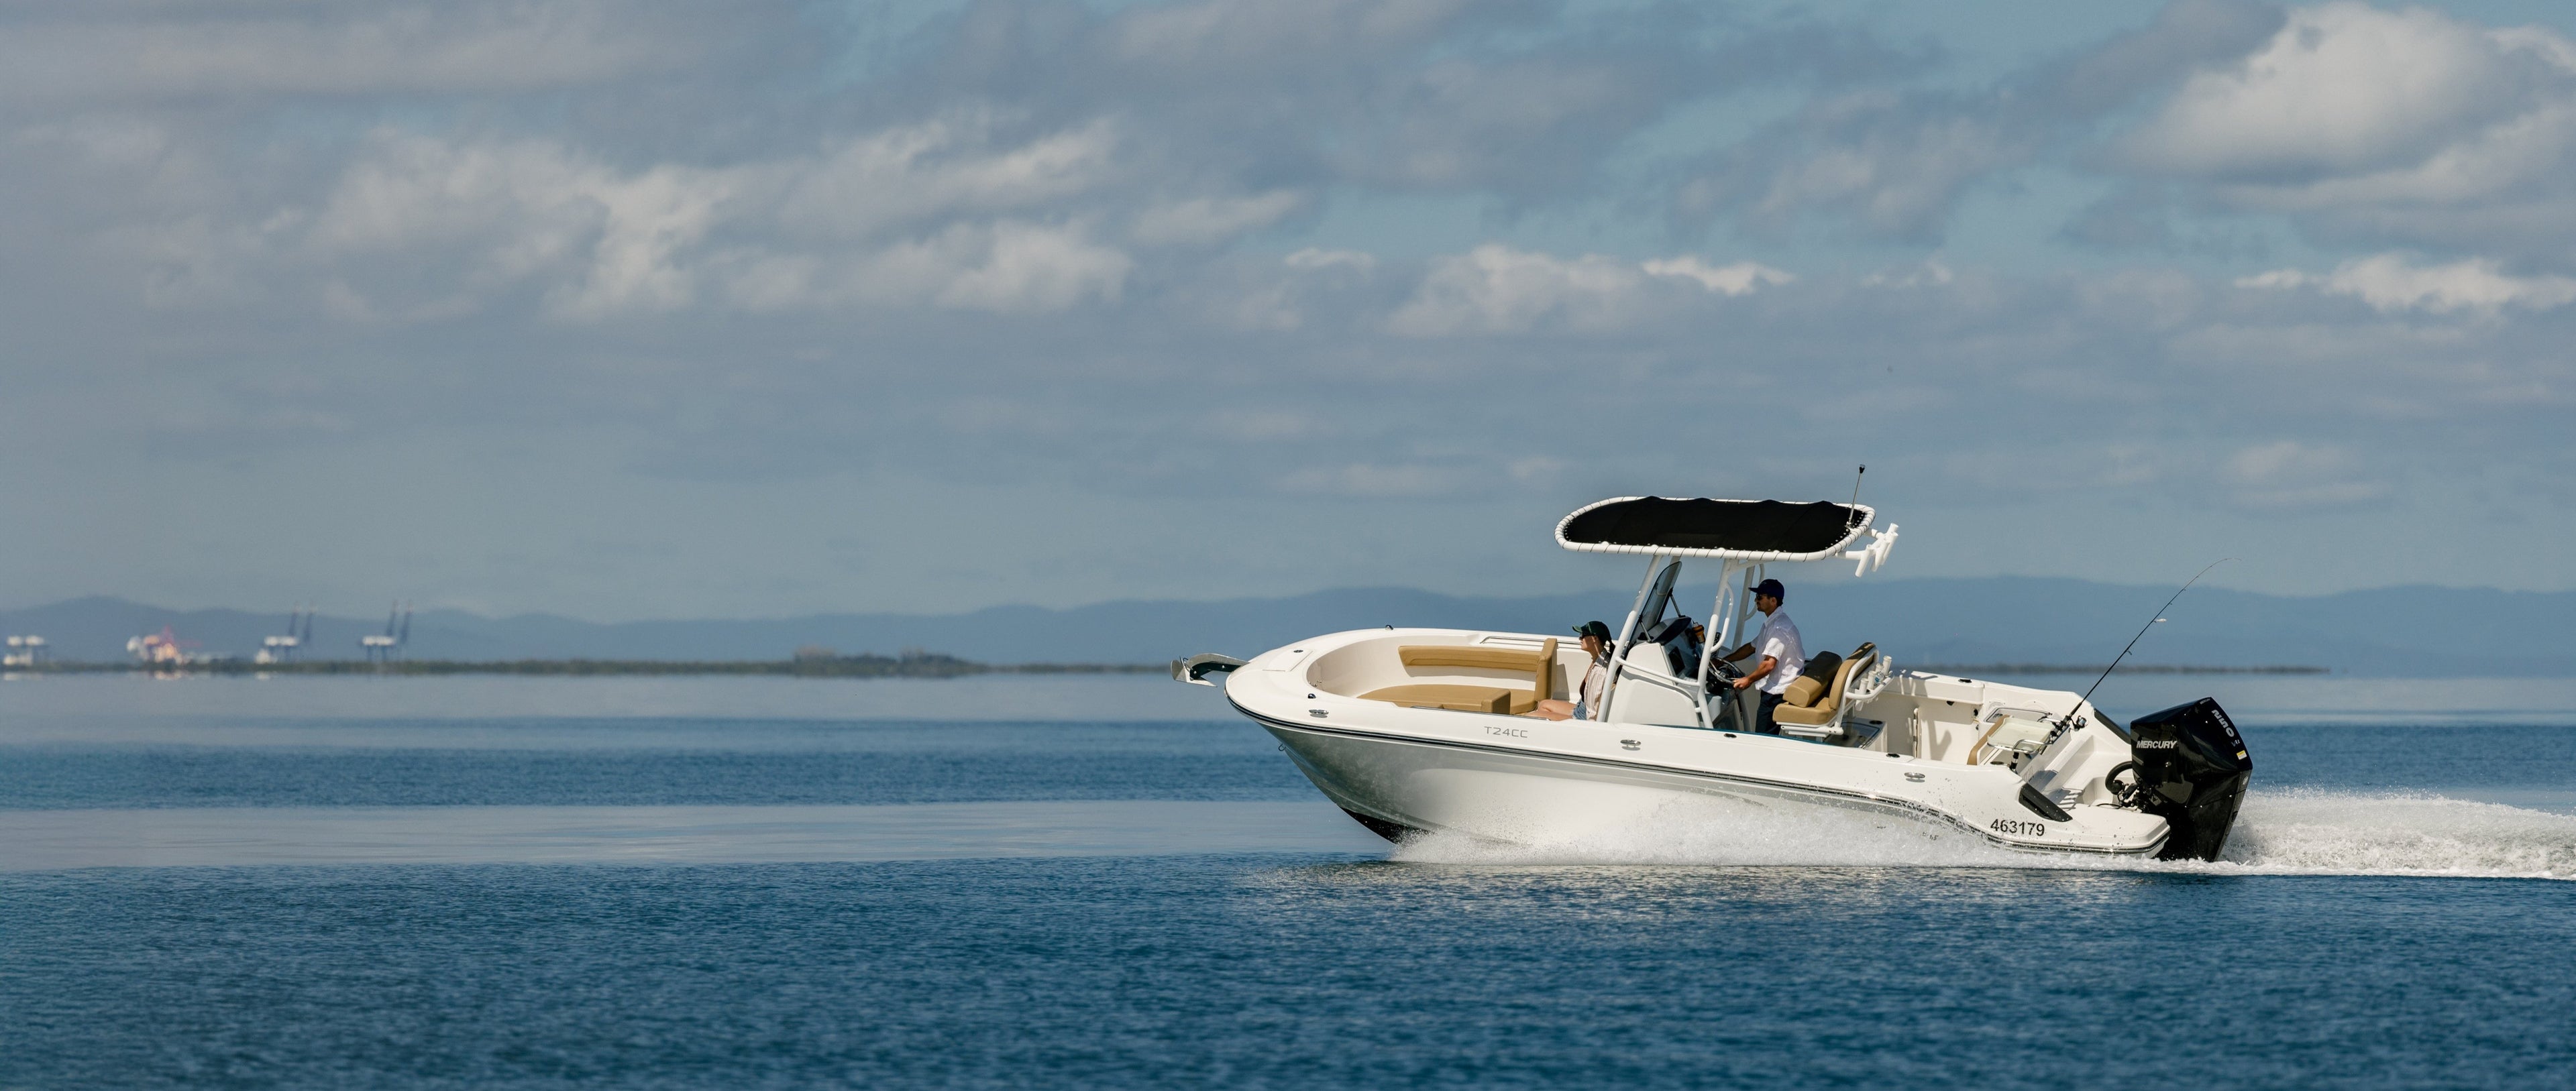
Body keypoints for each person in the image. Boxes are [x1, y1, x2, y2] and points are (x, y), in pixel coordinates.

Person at [1723, 578, 1805, 734]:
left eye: (1760, 597)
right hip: (1775, 688)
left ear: (1773, 600)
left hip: (1778, 693)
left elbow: (1769, 664)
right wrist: (1726, 660)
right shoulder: (1772, 624)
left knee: (1763, 737)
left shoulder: (1779, 629)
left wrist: (1748, 680)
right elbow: (1750, 647)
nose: (1756, 600)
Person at [1531, 620, 1613, 721]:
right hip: (1581, 708)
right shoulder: (1598, 659)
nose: (1580, 638)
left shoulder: (1599, 671)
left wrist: (1575, 726)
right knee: (1544, 704)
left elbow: (1592, 715)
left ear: (1595, 638)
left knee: (1532, 717)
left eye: (1583, 635)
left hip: (1583, 718)